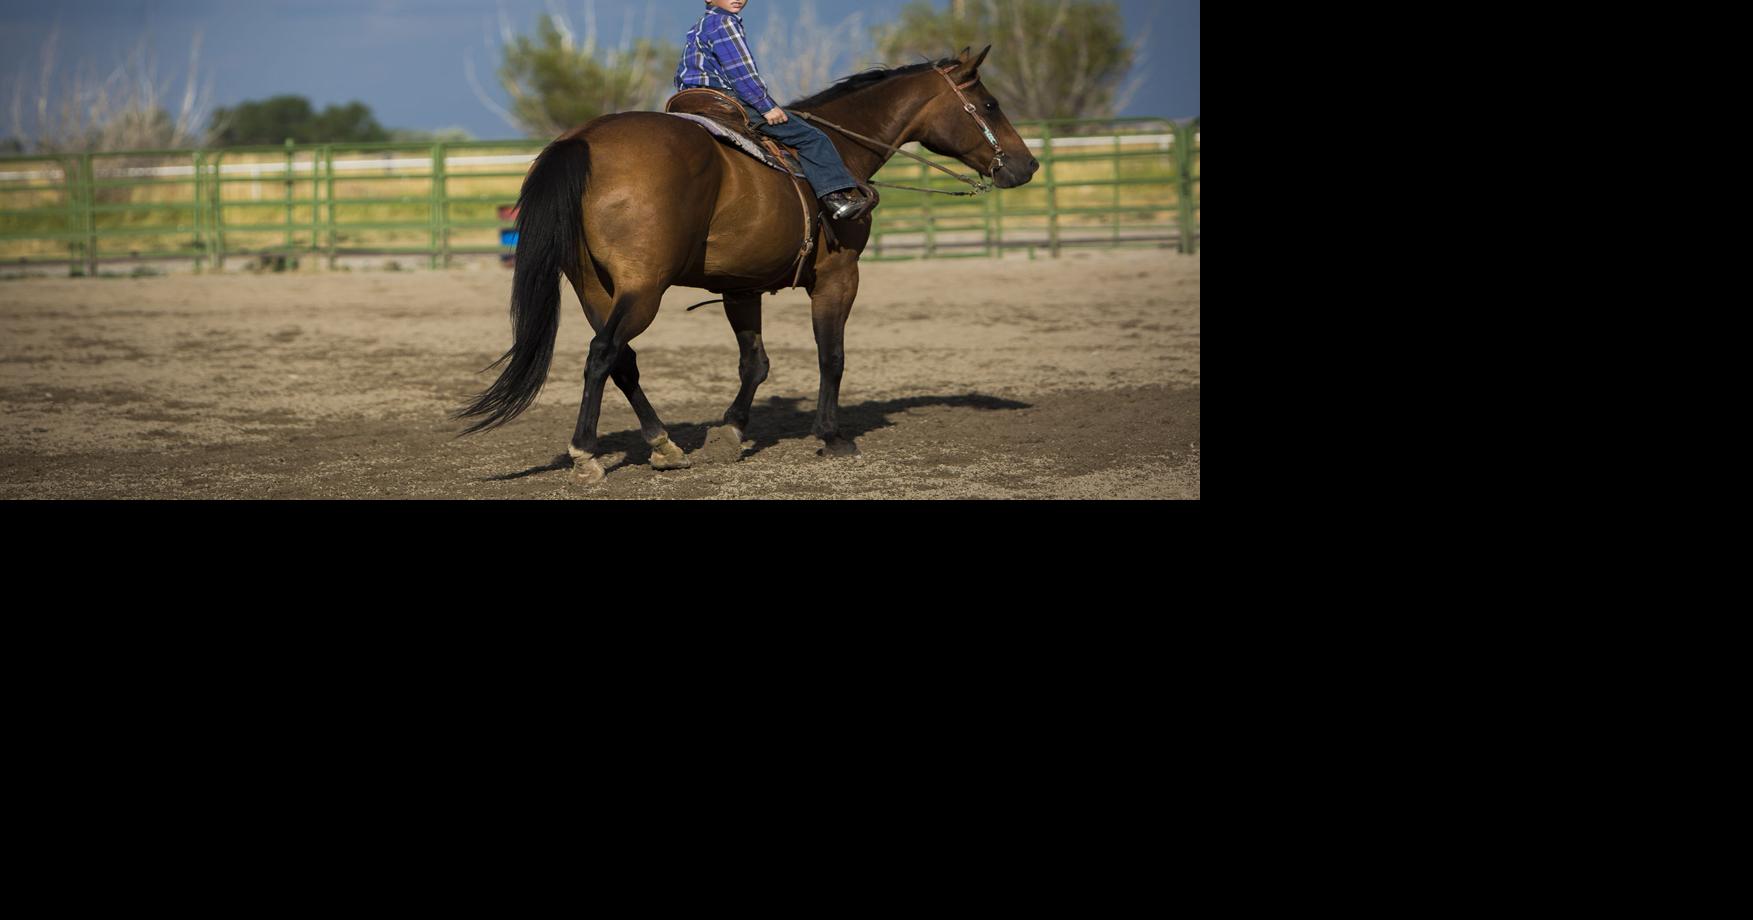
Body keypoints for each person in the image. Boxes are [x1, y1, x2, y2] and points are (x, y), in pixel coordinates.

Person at [674, 0, 870, 220]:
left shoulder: (700, 25)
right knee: (812, 137)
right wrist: (765, 105)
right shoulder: (724, 23)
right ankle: (836, 199)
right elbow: (741, 72)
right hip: (724, 101)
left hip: (690, 100)